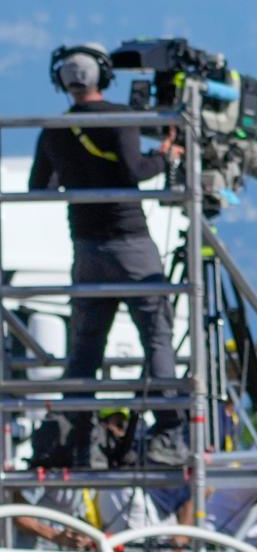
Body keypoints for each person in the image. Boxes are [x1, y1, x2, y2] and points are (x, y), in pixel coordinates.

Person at [29, 44, 184, 466]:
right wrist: (165, 156)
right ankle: (168, 431)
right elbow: (134, 172)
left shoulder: (53, 130)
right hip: (131, 243)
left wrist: (78, 174)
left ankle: (80, 437)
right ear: (103, 76)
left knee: (86, 346)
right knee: (155, 336)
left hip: (85, 248)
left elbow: (40, 186)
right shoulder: (121, 118)